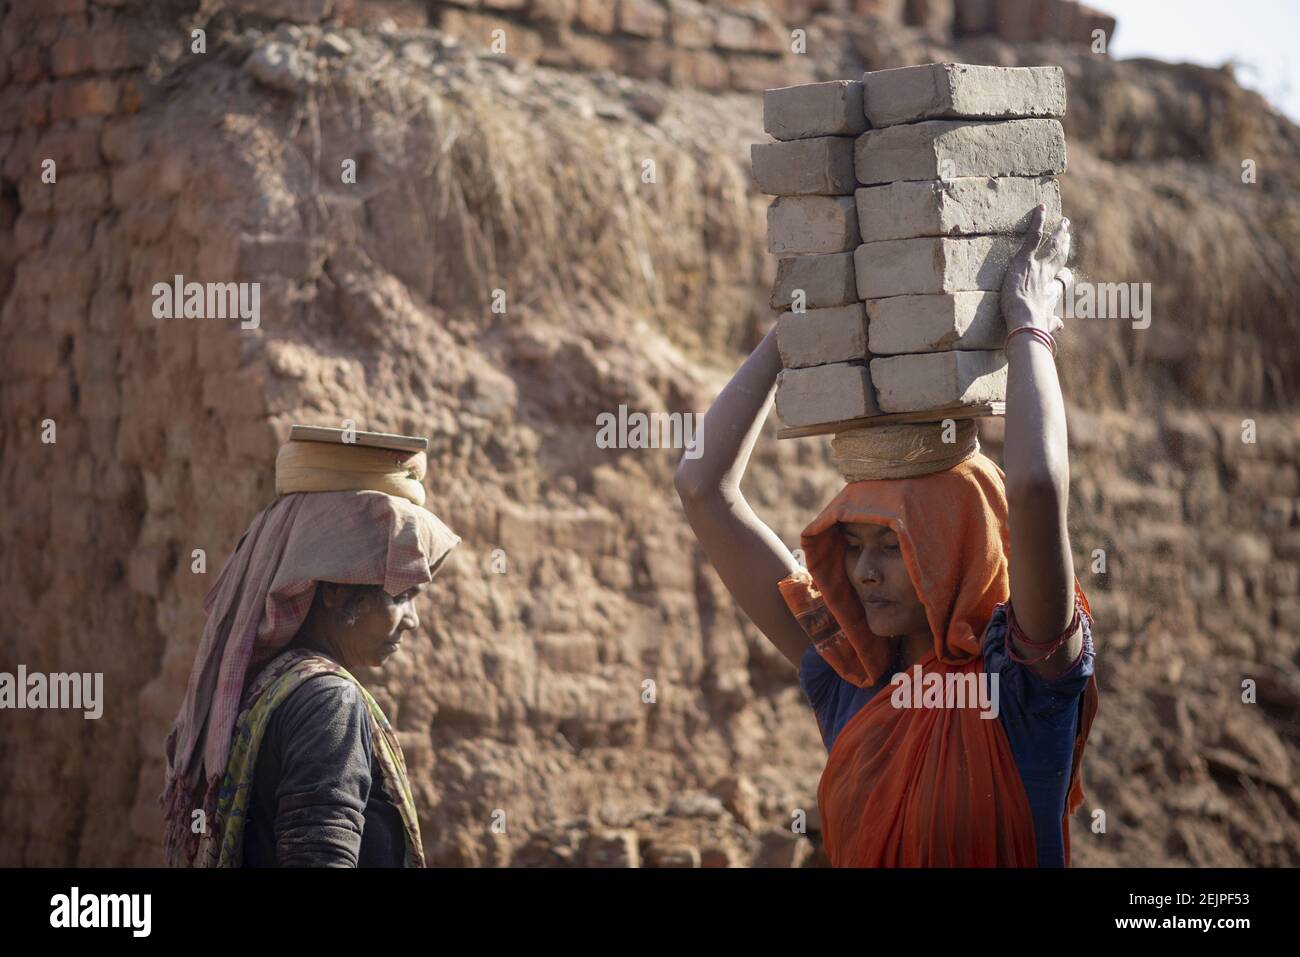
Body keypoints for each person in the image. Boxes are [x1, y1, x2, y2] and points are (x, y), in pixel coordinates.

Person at [675, 206, 1099, 866]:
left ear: (956, 544)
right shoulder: (853, 672)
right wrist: (795, 334)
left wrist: (1029, 329)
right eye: (852, 544)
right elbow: (703, 488)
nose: (863, 571)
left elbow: (1038, 492)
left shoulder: (1022, 682)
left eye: (892, 544)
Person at [161, 431, 460, 867]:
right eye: (400, 595)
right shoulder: (327, 703)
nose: (412, 620)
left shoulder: (269, 686)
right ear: (337, 590)